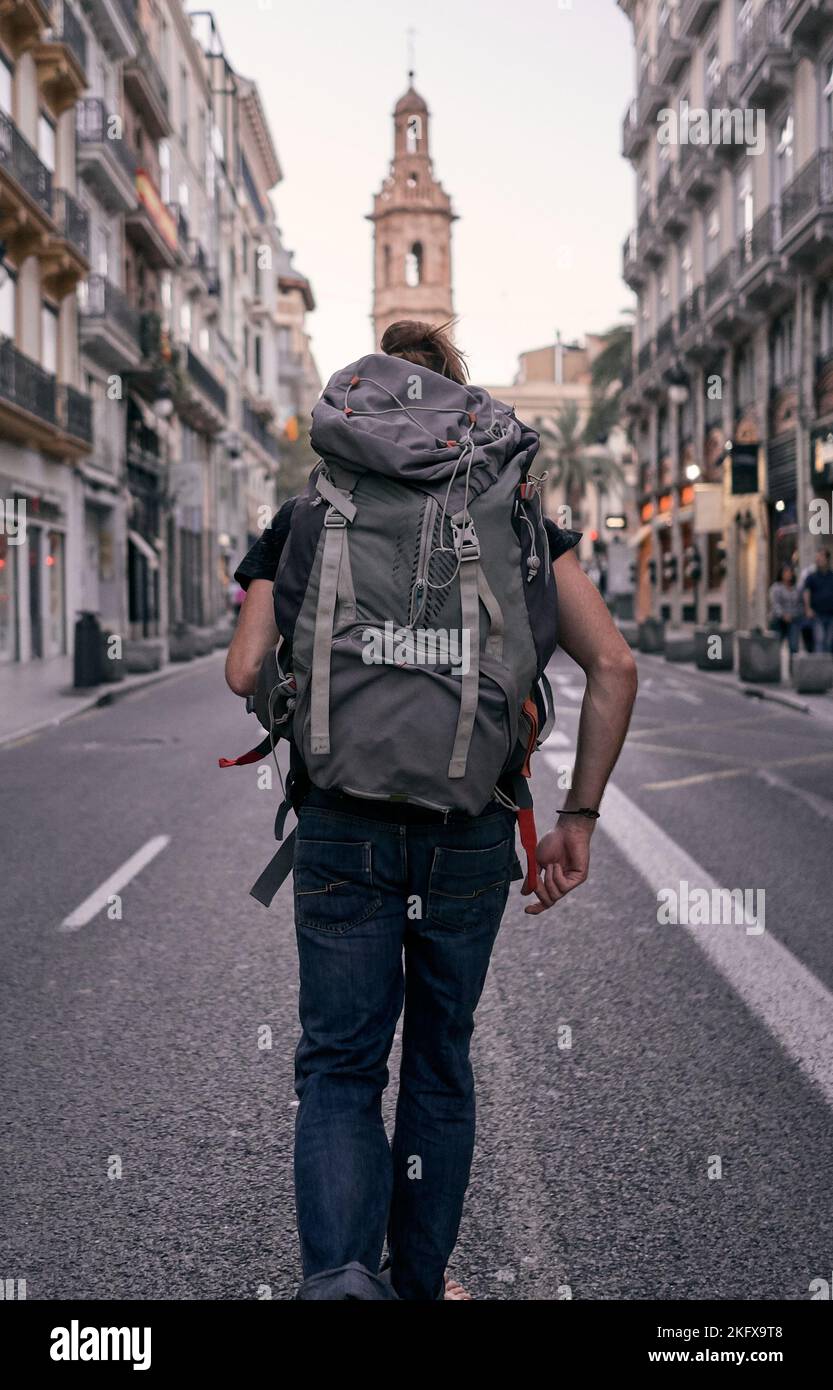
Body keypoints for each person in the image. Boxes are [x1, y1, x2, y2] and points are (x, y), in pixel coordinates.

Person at [225, 320, 638, 1301]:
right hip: (469, 829)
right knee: (440, 1058)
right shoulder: (514, 512)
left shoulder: (308, 509)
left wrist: (293, 684)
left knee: (338, 1063)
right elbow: (613, 667)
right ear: (460, 405)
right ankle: (417, 1283)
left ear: (362, 398)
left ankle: (337, 1277)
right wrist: (575, 818)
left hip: (339, 826)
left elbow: (246, 666)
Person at [802, 547, 833, 655]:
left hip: (831, 614)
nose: (818, 559)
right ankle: (819, 670)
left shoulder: (831, 576)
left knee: (829, 642)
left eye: (821, 556)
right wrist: (808, 609)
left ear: (827, 559)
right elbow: (806, 593)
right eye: (817, 557)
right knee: (819, 641)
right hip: (817, 614)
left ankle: (829, 669)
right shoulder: (811, 577)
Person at [768, 563, 802, 661]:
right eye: (786, 572)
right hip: (778, 621)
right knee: (775, 646)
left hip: (793, 620)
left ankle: (793, 671)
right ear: (781, 574)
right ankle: (773, 669)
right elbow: (775, 604)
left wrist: (794, 615)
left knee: (794, 646)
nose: (788, 574)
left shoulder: (796, 588)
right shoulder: (776, 587)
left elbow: (800, 603)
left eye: (790, 572)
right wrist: (783, 615)